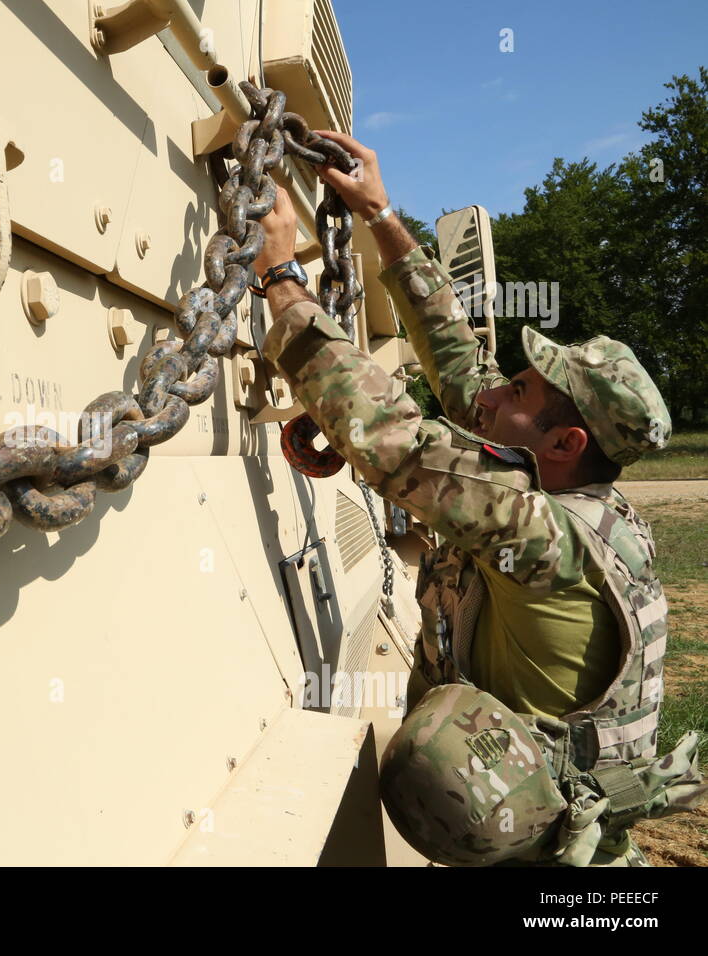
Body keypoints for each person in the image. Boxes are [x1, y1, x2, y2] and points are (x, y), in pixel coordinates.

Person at [249, 130, 687, 865]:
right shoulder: (587, 507)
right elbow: (463, 369)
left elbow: (394, 442)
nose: (492, 393)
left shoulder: (540, 532)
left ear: (564, 445)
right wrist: (381, 217)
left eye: (520, 390)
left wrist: (282, 276)